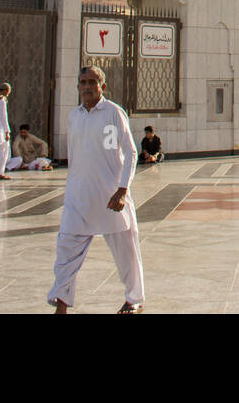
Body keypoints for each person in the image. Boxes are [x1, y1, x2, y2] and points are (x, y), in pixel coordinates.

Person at [48, 66, 144, 314]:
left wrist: (122, 190)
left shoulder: (113, 113)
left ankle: (133, 299)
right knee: (66, 252)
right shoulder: (74, 116)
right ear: (78, 86)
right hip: (78, 197)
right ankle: (61, 303)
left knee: (126, 253)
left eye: (92, 82)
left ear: (103, 86)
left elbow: (130, 152)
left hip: (111, 197)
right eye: (83, 82)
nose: (87, 86)